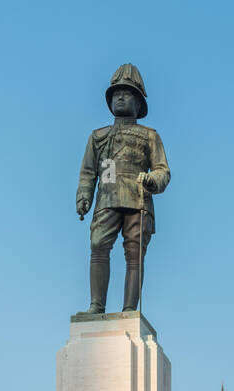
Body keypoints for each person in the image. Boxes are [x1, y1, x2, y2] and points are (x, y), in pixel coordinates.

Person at [76, 63, 170, 314]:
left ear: (139, 103)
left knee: (134, 253)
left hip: (138, 198)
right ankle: (97, 305)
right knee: (98, 244)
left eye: (126, 93)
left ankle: (129, 309)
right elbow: (89, 172)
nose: (120, 96)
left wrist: (152, 180)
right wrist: (84, 195)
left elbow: (163, 170)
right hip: (107, 198)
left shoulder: (150, 136)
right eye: (116, 93)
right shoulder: (99, 136)